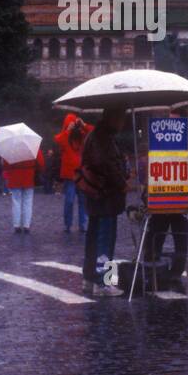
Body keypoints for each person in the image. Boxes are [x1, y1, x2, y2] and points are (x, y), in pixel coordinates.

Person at [80, 108, 129, 292]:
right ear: (112, 117)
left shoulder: (97, 136)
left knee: (94, 238)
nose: (123, 122)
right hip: (106, 197)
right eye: (121, 118)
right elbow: (106, 165)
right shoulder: (103, 138)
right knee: (106, 241)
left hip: (98, 197)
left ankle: (89, 278)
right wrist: (121, 182)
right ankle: (104, 283)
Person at [148, 133, 188, 284]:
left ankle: (175, 272)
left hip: (180, 200)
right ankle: (151, 269)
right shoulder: (158, 141)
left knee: (180, 238)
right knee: (156, 235)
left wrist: (187, 193)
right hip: (160, 199)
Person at [55, 112, 92, 234]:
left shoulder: (82, 135)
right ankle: (68, 224)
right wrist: (68, 130)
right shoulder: (65, 137)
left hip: (81, 174)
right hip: (69, 175)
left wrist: (84, 124)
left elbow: (94, 132)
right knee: (69, 201)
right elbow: (58, 140)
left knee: (83, 201)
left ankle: (83, 224)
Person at [3, 144, 45, 232]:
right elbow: (41, 163)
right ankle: (26, 225)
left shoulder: (11, 147)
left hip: (15, 177)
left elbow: (5, 165)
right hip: (29, 176)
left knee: (16, 202)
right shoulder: (33, 146)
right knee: (28, 202)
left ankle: (16, 225)